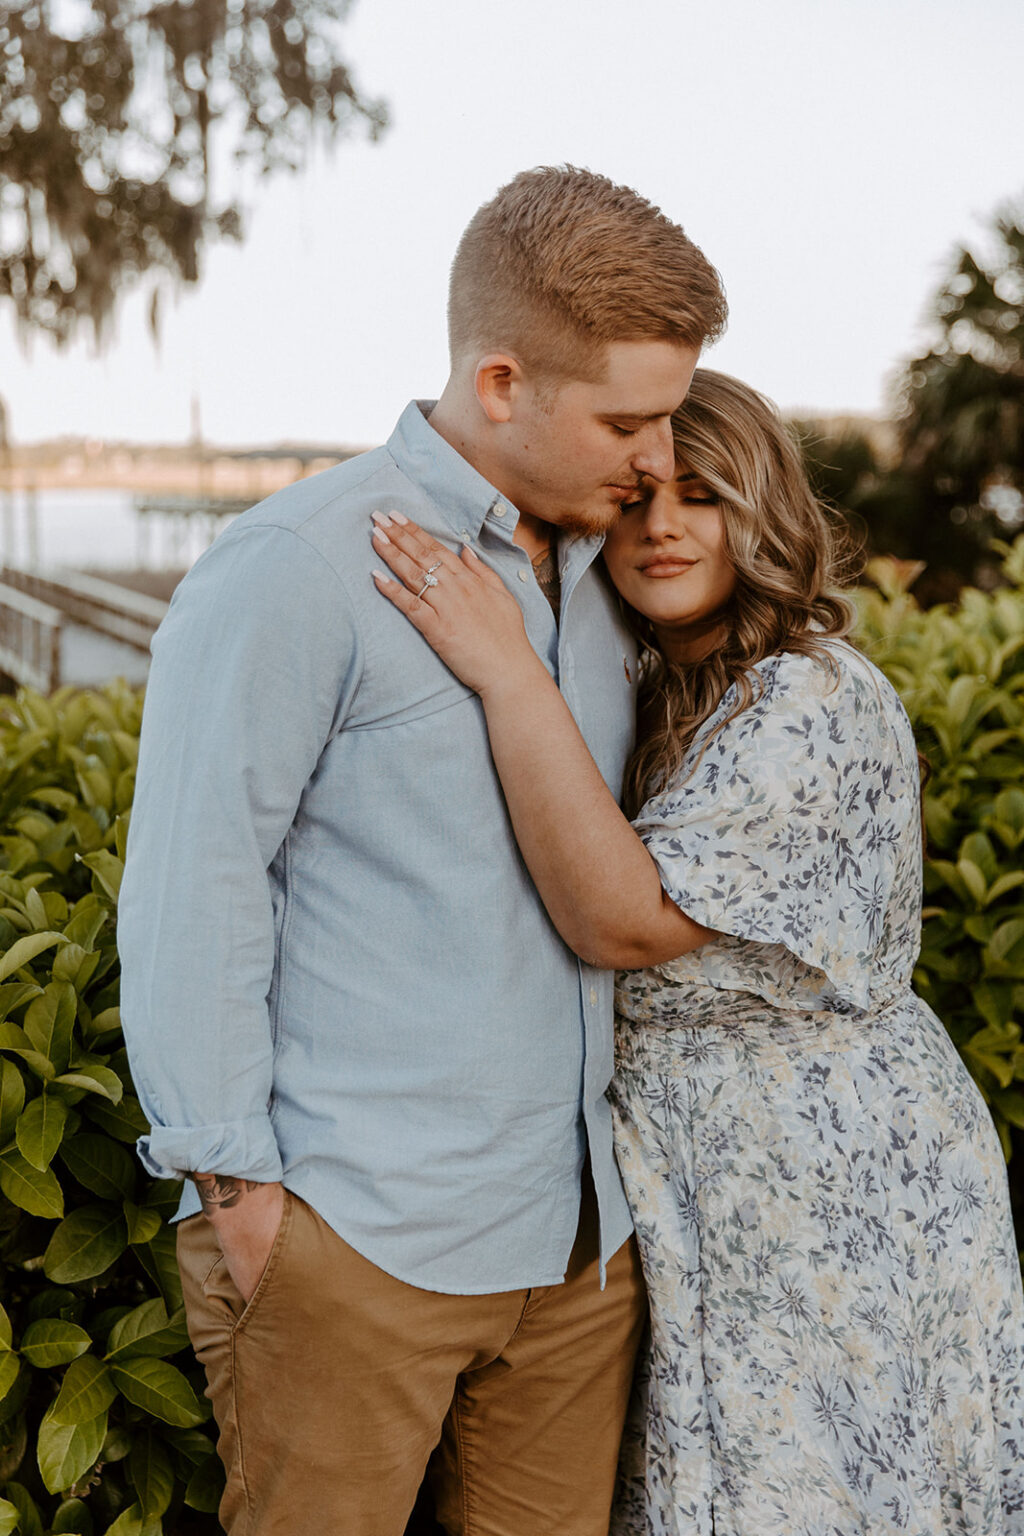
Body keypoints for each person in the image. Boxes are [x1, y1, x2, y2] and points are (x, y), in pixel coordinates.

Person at [117, 166, 726, 1536]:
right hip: (354, 1245)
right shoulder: (298, 566)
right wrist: (245, 1202)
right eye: (629, 419)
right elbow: (193, 889)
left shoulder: (615, 575)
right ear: (502, 382)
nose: (653, 460)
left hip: (579, 1250)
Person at [371, 368, 1024, 1536]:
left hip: (828, 1185)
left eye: (705, 495)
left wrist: (503, 662)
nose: (661, 526)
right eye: (633, 499)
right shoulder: (664, 687)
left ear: (763, 510)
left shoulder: (806, 696)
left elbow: (621, 919)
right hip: (700, 1186)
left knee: (818, 1494)